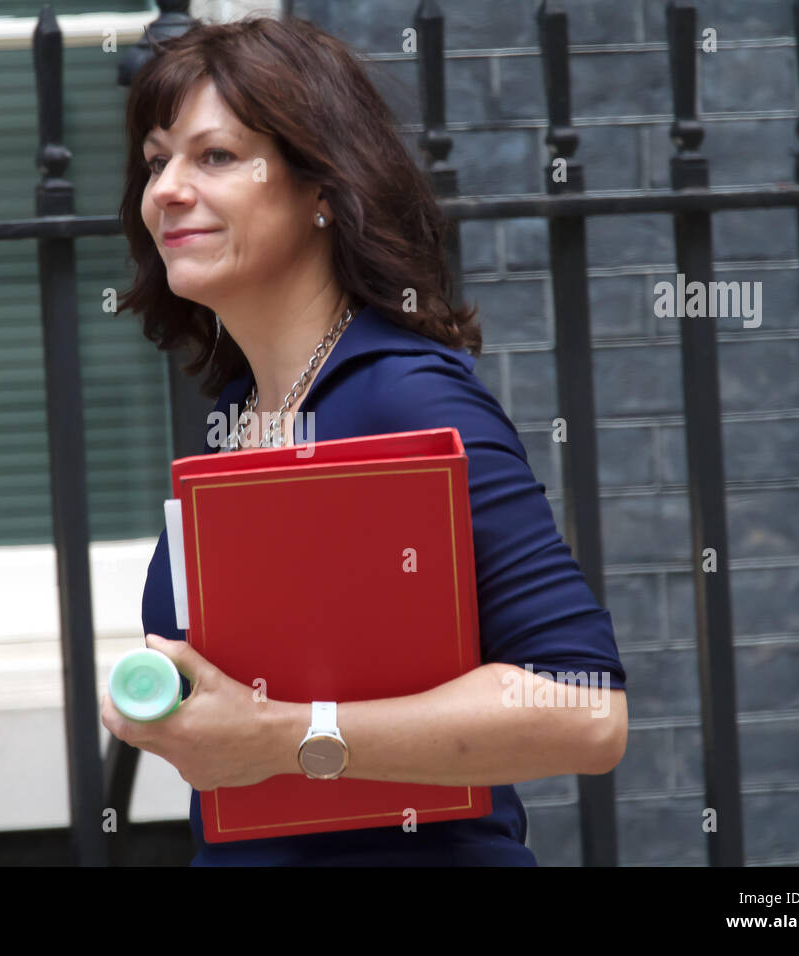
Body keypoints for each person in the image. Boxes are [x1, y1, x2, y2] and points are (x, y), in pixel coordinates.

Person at [103, 14, 628, 866]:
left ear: (321, 189)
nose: (164, 188)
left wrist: (286, 737)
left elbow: (587, 707)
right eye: (158, 160)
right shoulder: (240, 414)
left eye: (216, 156)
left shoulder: (404, 395)